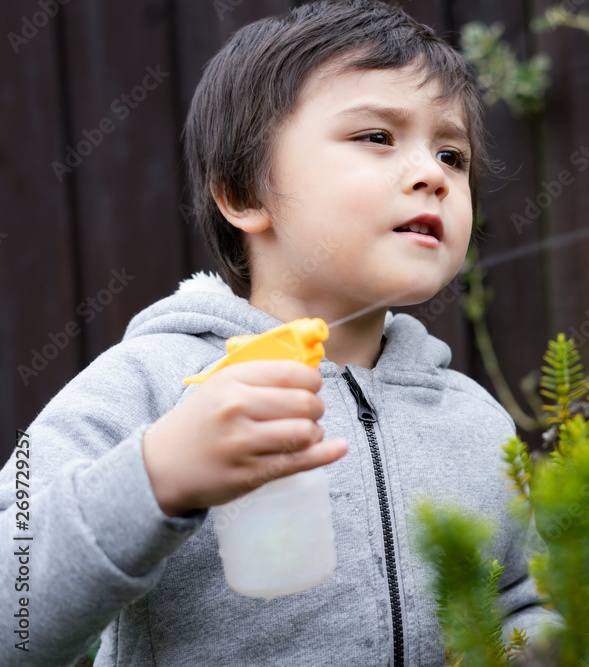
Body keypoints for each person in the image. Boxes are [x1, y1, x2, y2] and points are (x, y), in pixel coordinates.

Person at [0, 1, 559, 664]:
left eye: (452, 154)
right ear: (243, 193)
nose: (432, 174)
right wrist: (157, 475)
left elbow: (526, 603)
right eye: (377, 136)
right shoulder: (148, 384)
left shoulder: (474, 419)